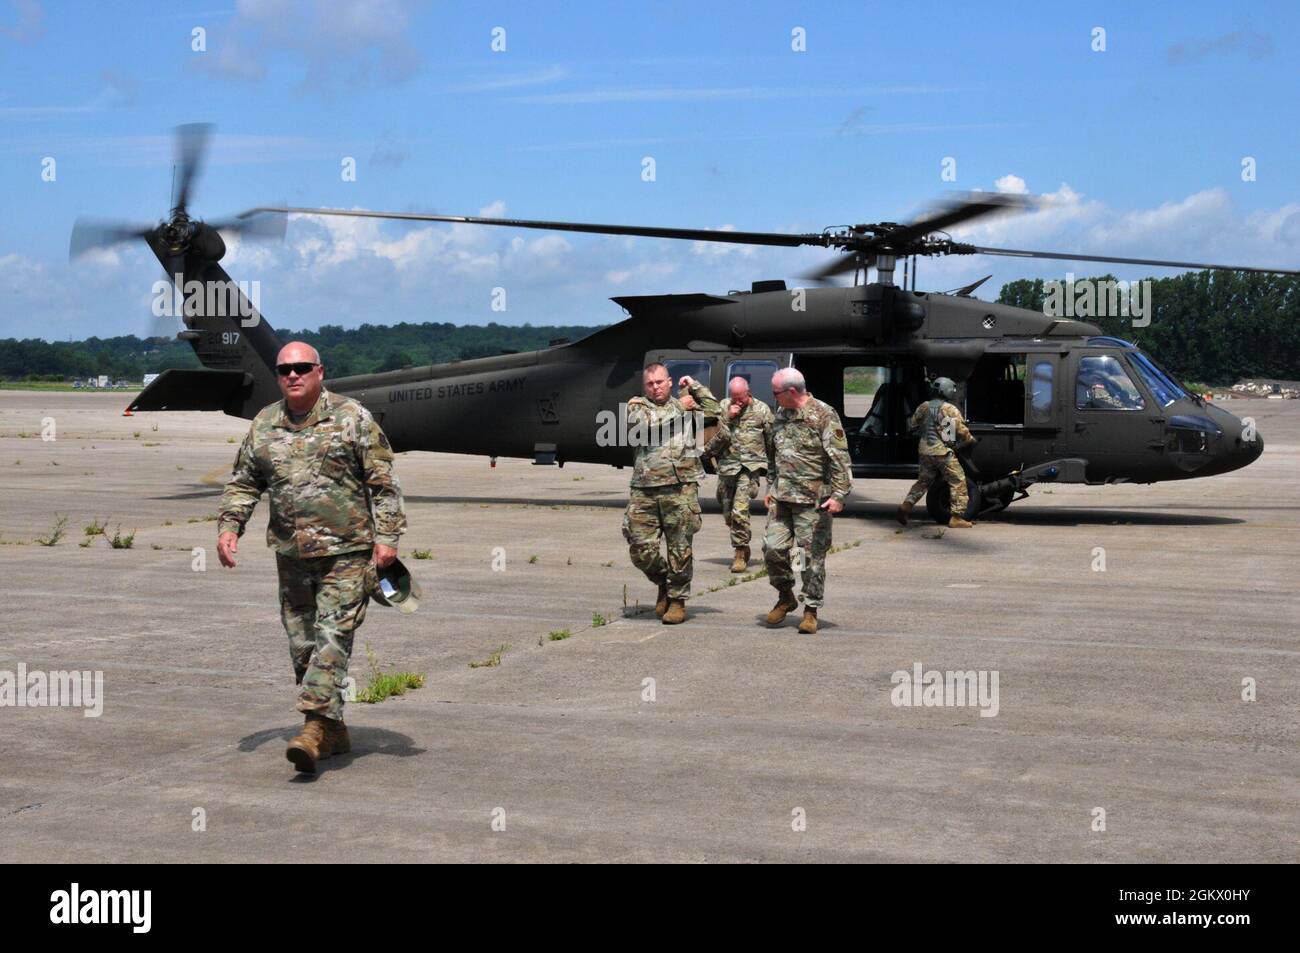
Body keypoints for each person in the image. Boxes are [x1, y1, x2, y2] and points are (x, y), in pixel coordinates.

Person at [217, 341, 406, 773]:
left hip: (347, 553)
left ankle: (313, 727)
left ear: (320, 372)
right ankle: (334, 727)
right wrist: (230, 526)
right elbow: (245, 481)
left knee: (331, 639)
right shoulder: (264, 424)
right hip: (291, 554)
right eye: (285, 370)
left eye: (302, 368)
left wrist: (388, 536)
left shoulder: (351, 417)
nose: (293, 376)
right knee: (302, 644)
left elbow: (382, 481)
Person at [623, 364, 721, 625]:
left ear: (669, 382)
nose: (655, 387)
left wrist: (697, 387)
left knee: (680, 547)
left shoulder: (687, 405)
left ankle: (677, 600)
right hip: (645, 488)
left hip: (681, 487)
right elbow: (648, 427)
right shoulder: (637, 406)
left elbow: (715, 411)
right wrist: (682, 407)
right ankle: (663, 581)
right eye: (650, 384)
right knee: (640, 548)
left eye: (659, 382)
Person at [763, 367, 852, 635]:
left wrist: (839, 496)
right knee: (773, 550)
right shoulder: (780, 414)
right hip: (782, 499)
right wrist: (771, 485)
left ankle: (810, 609)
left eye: (775, 392)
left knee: (807, 558)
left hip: (812, 502)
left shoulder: (823, 414)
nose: (773, 396)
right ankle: (785, 595)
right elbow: (773, 454)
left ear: (791, 392)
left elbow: (840, 459)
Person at [702, 376, 774, 573]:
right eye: (734, 398)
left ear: (748, 392)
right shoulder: (723, 408)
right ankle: (743, 542)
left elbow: (771, 442)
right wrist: (727, 419)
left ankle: (740, 553)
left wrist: (772, 470)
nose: (737, 402)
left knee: (739, 511)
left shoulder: (762, 410)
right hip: (726, 469)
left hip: (749, 469)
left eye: (740, 398)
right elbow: (710, 445)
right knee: (728, 516)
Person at [896, 377, 977, 529]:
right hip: (942, 452)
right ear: (947, 390)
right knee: (958, 480)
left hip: (925, 451)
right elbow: (960, 430)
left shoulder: (923, 406)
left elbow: (912, 426)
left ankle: (905, 507)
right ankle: (957, 517)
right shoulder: (949, 409)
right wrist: (970, 440)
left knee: (923, 482)